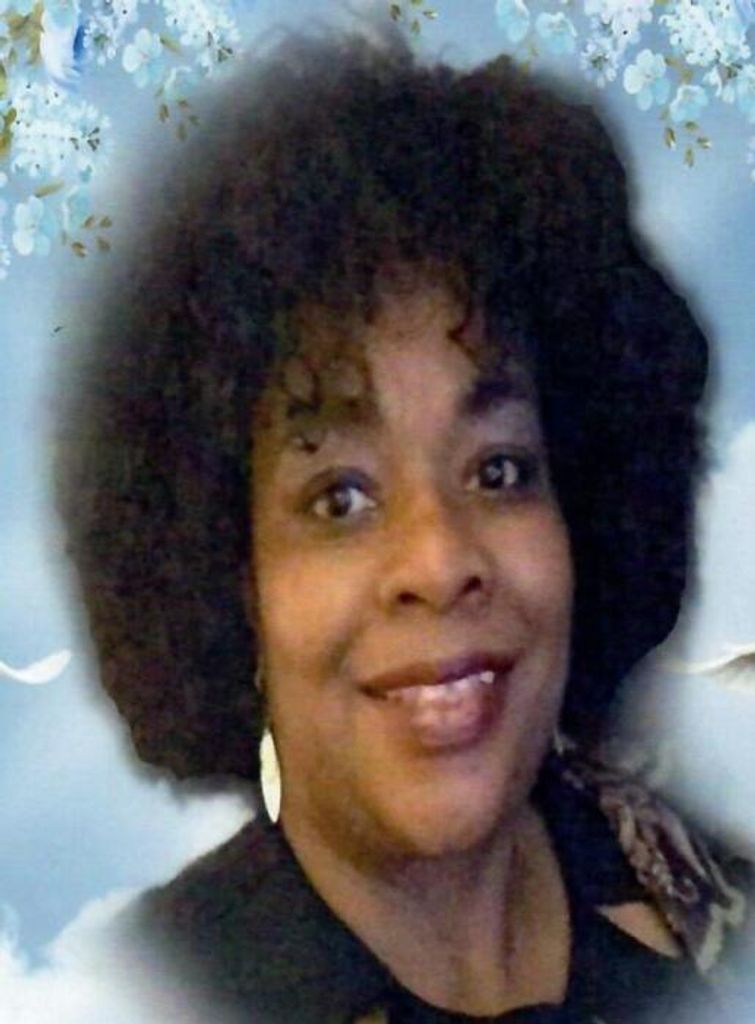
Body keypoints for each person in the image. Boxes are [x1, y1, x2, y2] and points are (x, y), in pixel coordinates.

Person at [56, 24, 751, 1024]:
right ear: (226, 580)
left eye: (499, 470)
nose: (438, 557)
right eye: (339, 498)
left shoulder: (710, 915)